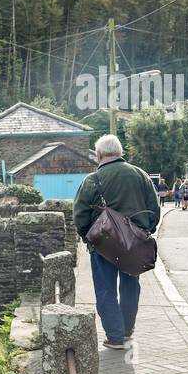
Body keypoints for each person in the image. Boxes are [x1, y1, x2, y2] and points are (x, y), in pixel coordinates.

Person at [73, 135, 161, 350]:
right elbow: (154, 209)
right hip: (135, 244)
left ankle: (115, 337)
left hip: (103, 245)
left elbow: (80, 215)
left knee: (105, 290)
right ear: (120, 153)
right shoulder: (140, 175)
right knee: (131, 286)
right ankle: (127, 331)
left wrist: (88, 238)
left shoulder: (92, 180)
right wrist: (146, 230)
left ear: (99, 155)